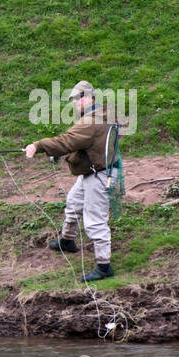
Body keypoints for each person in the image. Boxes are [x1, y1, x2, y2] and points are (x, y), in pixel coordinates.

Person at [24, 80, 119, 282]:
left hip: (98, 175)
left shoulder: (91, 120)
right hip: (92, 172)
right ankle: (67, 241)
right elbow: (81, 143)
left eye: (76, 99)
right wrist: (59, 154)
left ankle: (104, 266)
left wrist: (38, 145)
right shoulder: (100, 114)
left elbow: (68, 140)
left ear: (87, 97)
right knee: (73, 204)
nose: (74, 103)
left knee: (94, 221)